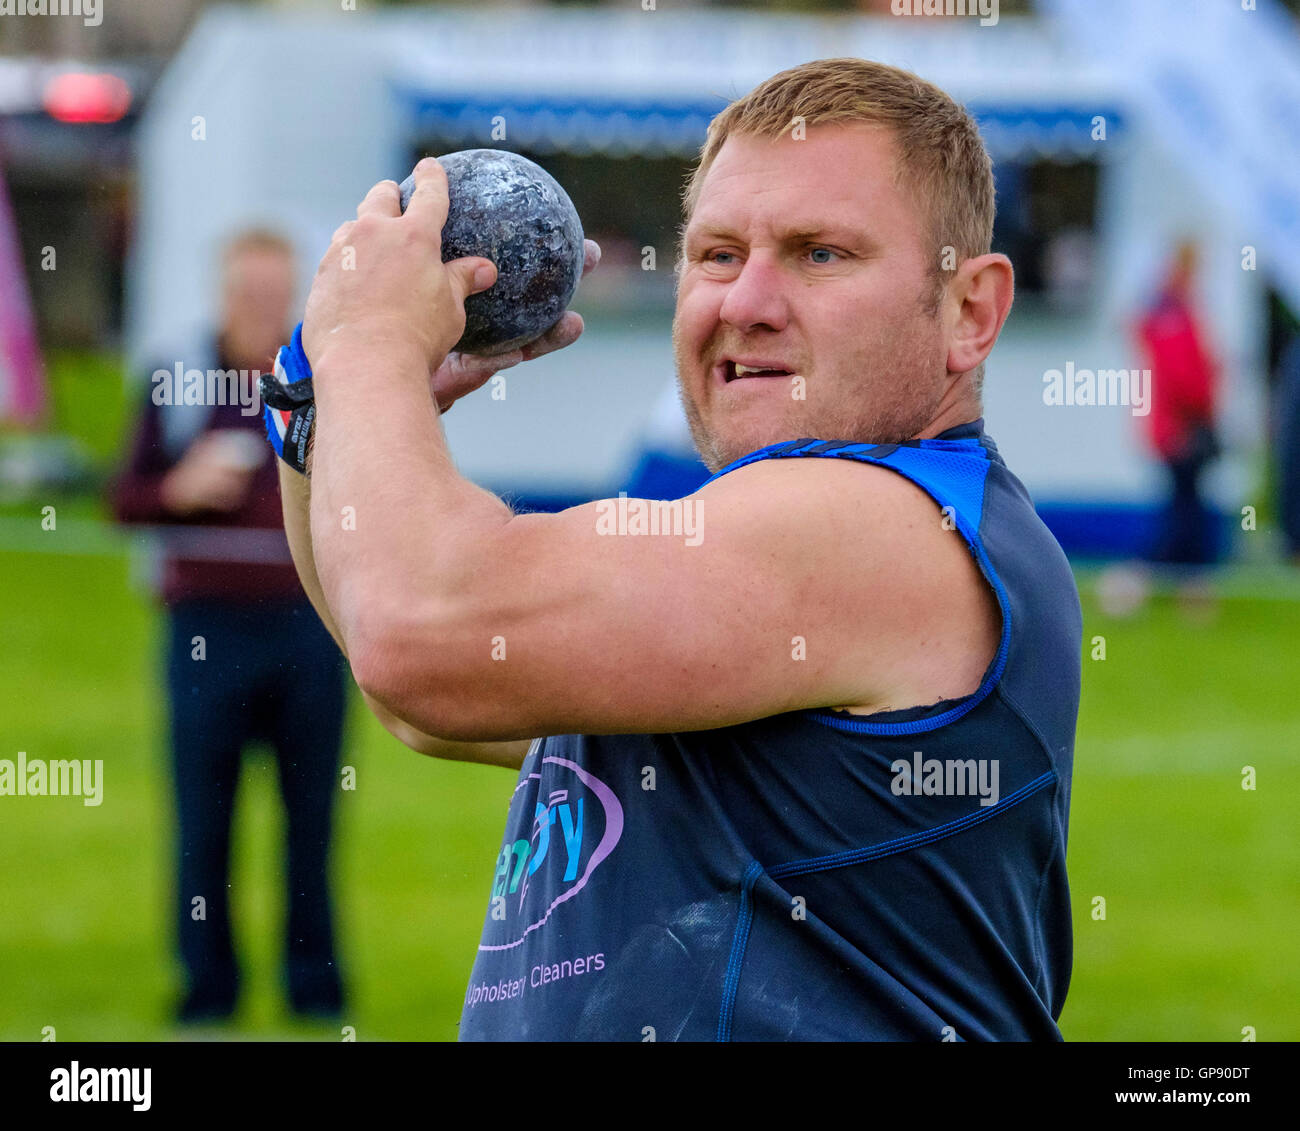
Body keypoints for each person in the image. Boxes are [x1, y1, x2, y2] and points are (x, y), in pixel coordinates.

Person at [269, 58, 1081, 1041]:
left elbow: (426, 640)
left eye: (820, 253)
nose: (746, 301)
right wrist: (319, 419)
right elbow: (423, 692)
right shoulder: (756, 569)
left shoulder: (892, 525)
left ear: (970, 310)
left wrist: (364, 347)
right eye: (717, 255)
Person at [111, 230, 348, 1025]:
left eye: (276, 295)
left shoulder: (322, 384)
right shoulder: (180, 383)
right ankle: (207, 989)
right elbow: (123, 498)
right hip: (205, 632)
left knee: (311, 818)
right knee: (202, 819)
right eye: (248, 293)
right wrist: (179, 488)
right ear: (224, 293)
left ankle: (315, 989)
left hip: (309, 627)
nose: (261, 309)